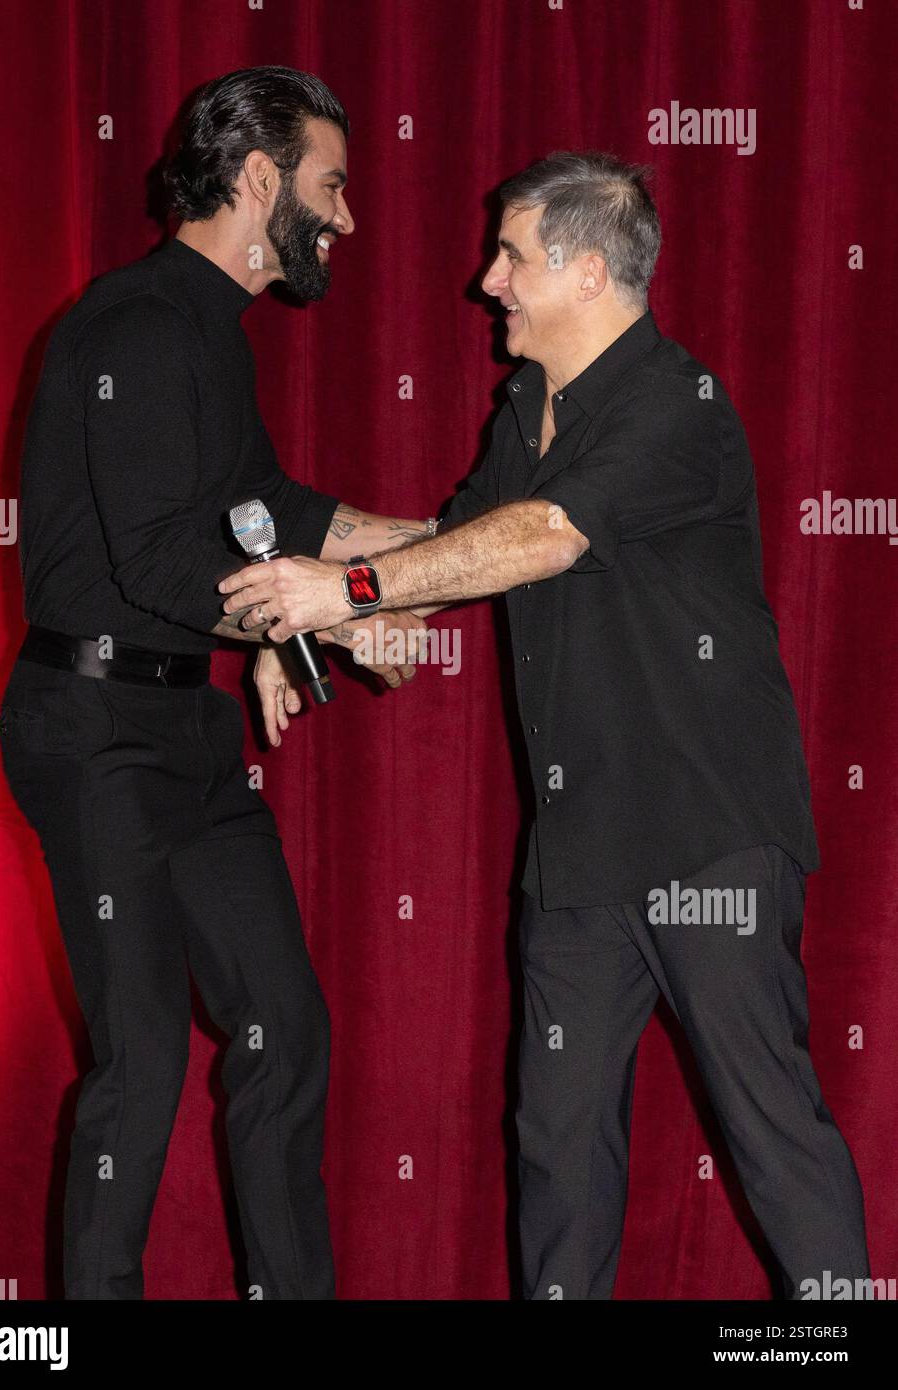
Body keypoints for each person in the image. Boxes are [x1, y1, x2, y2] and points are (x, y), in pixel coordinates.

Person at [222, 151, 872, 1300]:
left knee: (771, 1128)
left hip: (706, 832)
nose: (488, 282)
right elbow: (451, 549)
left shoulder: (679, 403)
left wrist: (349, 598)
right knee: (557, 1148)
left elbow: (548, 537)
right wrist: (321, 625)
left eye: (512, 255)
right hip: (577, 855)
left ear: (581, 270)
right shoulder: (527, 406)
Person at [0, 66, 429, 1300]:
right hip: (92, 730)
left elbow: (263, 514)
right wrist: (330, 625)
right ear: (257, 178)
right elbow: (154, 554)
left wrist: (422, 555)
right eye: (332, 184)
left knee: (283, 1029)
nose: (345, 218)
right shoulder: (137, 323)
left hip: (180, 727)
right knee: (140, 1062)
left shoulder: (208, 333)